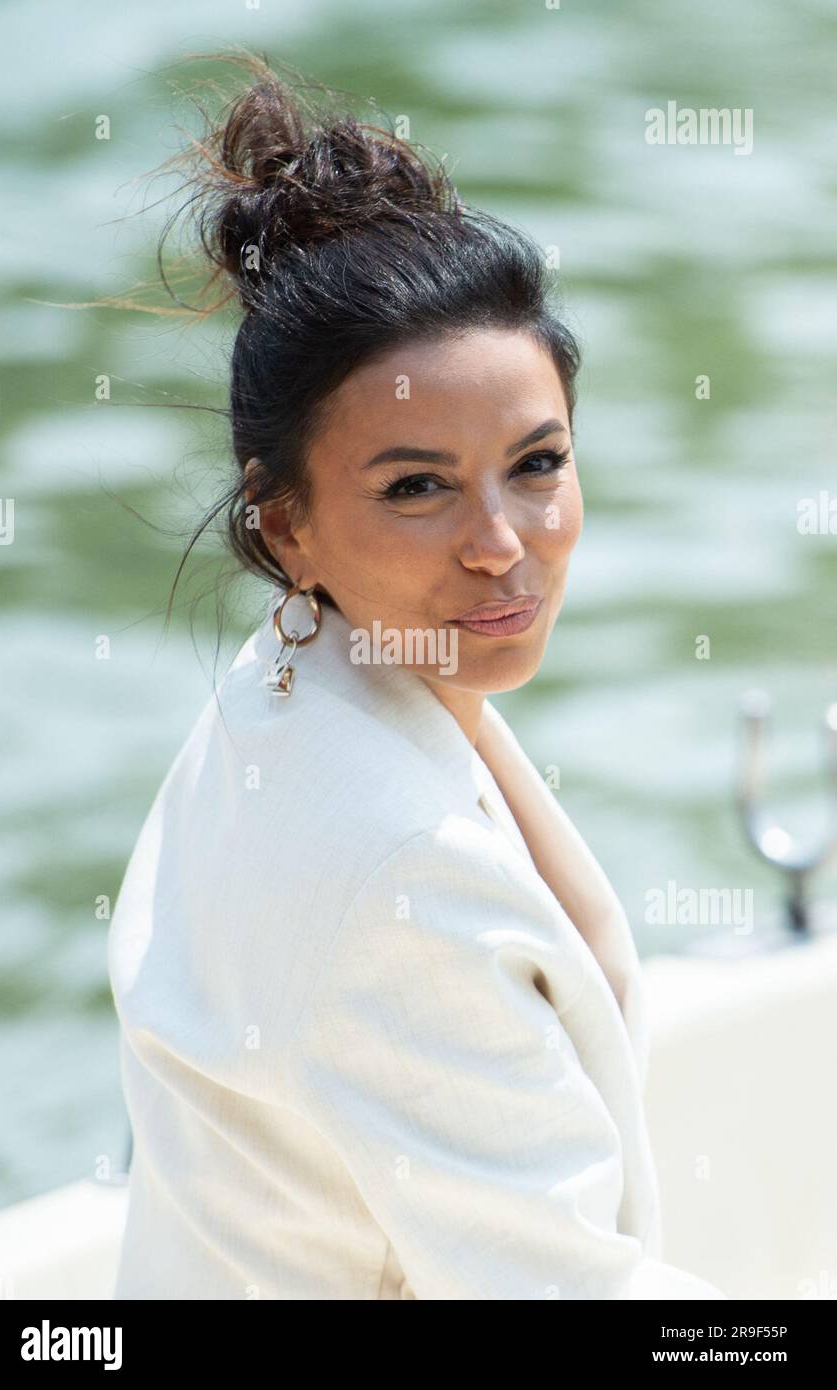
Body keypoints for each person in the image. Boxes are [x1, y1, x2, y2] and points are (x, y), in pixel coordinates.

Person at [107, 53, 726, 1300]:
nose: (502, 541)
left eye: (536, 463)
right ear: (283, 524)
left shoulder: (279, 690)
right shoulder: (395, 865)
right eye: (414, 487)